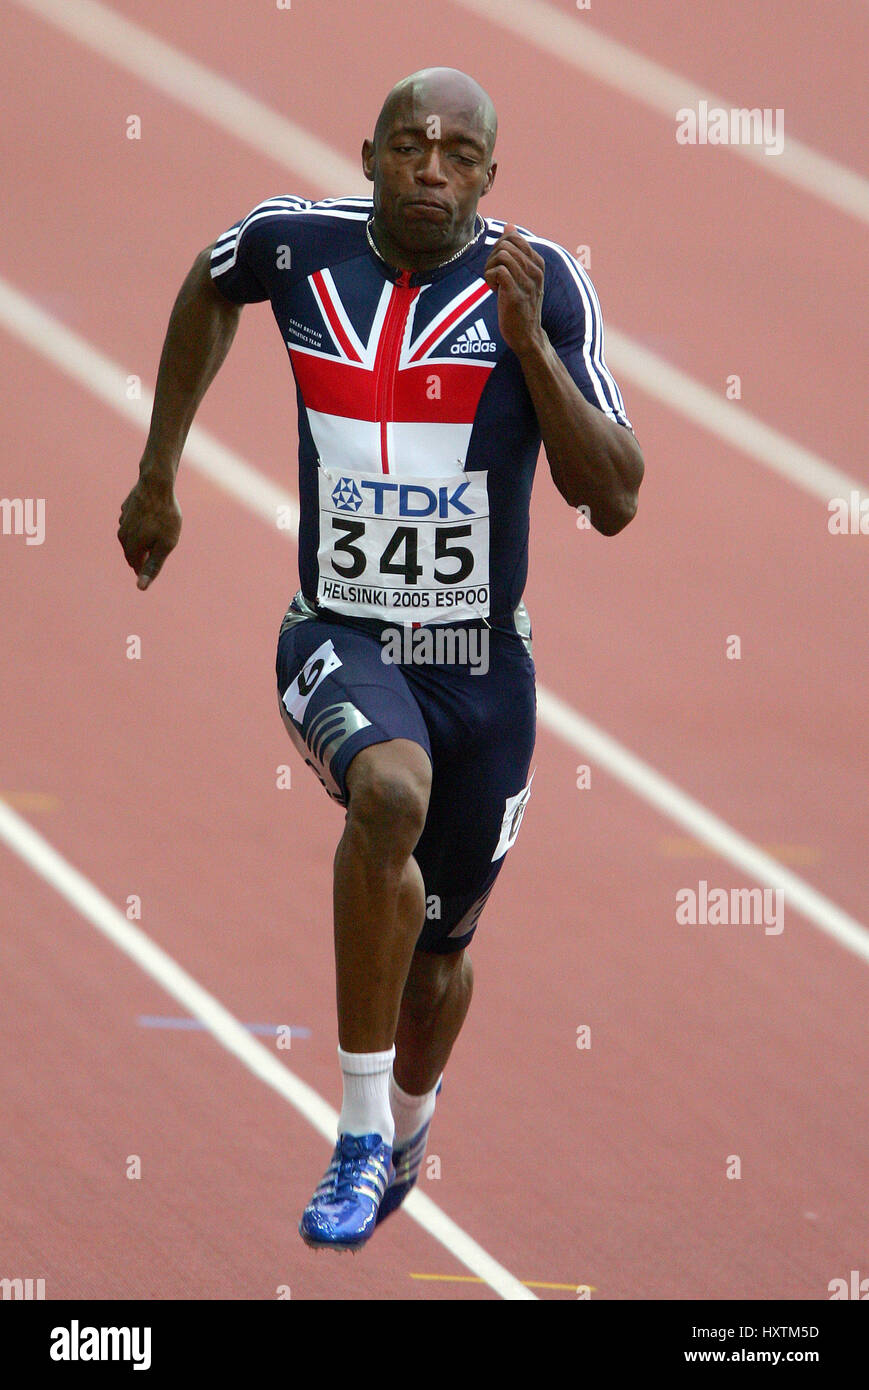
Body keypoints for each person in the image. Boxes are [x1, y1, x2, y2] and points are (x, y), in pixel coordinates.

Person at [118, 67, 644, 1251]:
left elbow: (611, 497)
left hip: (481, 668)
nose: (431, 168)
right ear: (366, 154)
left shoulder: (542, 285)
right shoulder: (293, 248)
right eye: (411, 145)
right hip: (339, 631)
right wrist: (159, 473)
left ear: (489, 179)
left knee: (437, 959)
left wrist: (531, 354)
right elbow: (210, 289)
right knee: (386, 795)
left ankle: (407, 1121)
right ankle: (356, 1134)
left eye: (460, 155)